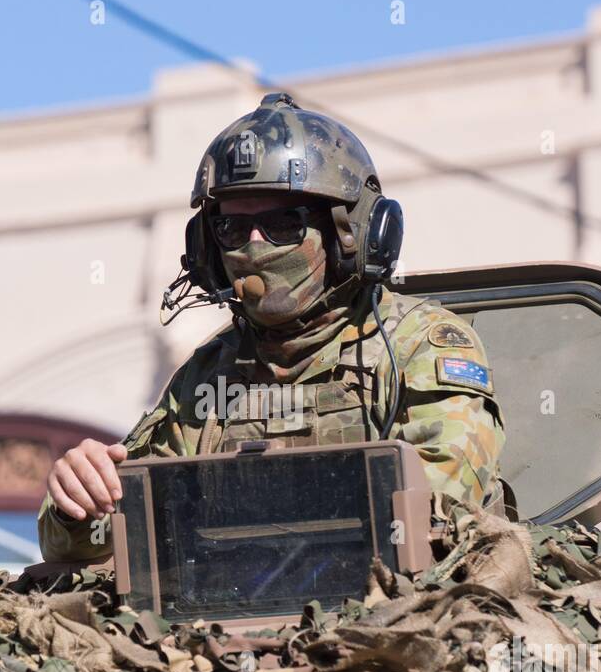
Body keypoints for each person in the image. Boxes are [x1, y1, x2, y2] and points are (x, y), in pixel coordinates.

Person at [38, 93, 506, 561]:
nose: (255, 246)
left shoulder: (420, 347)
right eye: (231, 230)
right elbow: (101, 547)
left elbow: (439, 516)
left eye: (284, 223)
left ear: (352, 234)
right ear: (207, 248)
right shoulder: (208, 374)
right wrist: (79, 505)